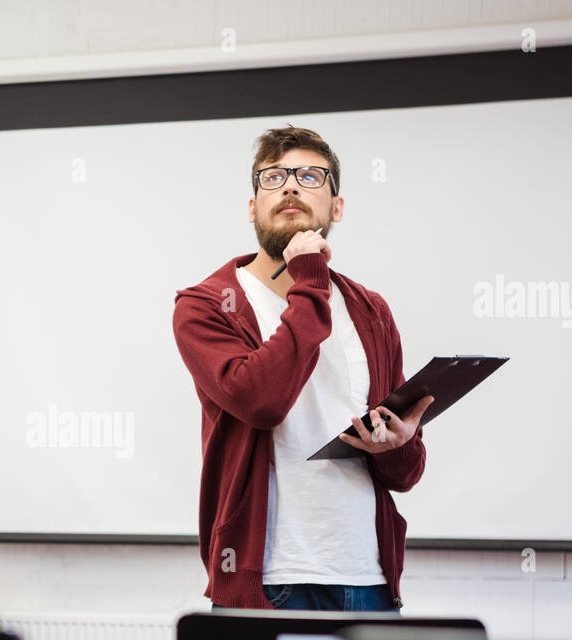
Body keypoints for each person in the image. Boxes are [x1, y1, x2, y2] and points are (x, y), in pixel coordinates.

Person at [172, 125, 433, 612]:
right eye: (272, 177)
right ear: (252, 207)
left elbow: (406, 475)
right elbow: (262, 401)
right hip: (268, 580)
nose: (290, 185)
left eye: (311, 175)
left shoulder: (371, 310)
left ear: (337, 207)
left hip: (368, 580)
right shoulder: (206, 305)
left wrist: (397, 445)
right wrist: (311, 280)